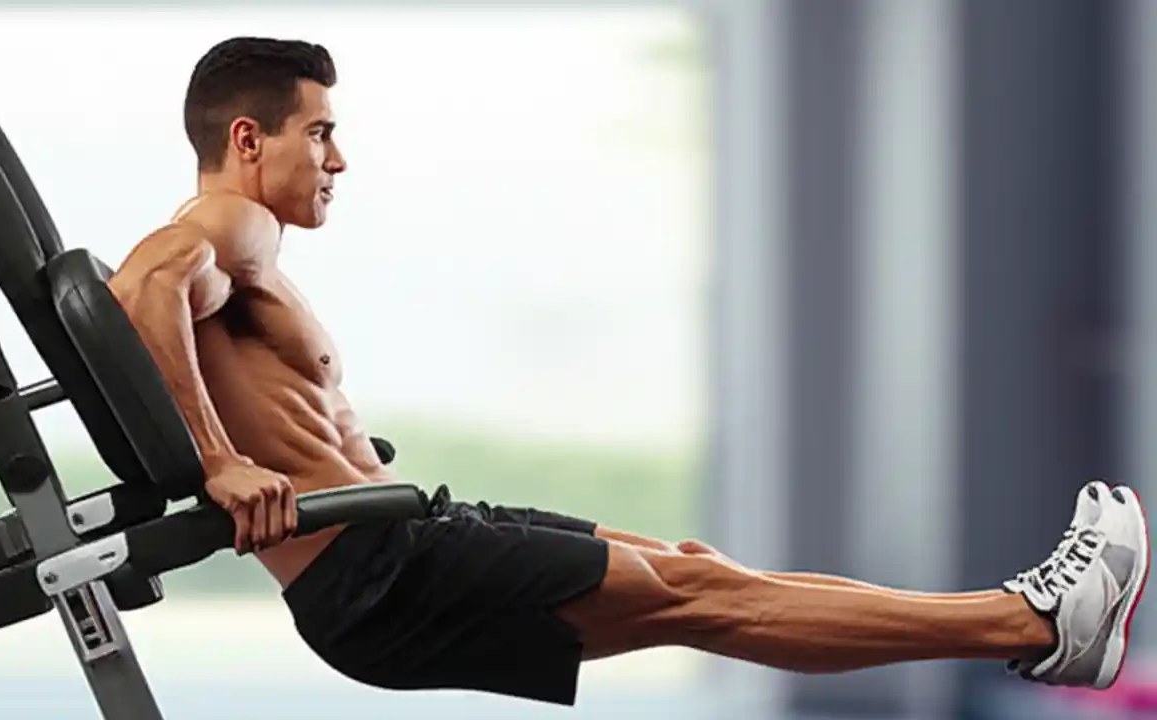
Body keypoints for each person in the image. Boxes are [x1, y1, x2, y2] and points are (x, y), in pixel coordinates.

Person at [107, 36, 1151, 706]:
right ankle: (1028, 621)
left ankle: (1035, 626)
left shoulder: (246, 248)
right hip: (378, 579)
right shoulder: (223, 226)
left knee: (699, 570)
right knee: (702, 596)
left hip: (399, 544)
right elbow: (142, 288)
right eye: (319, 133)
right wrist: (216, 465)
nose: (336, 160)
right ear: (247, 139)